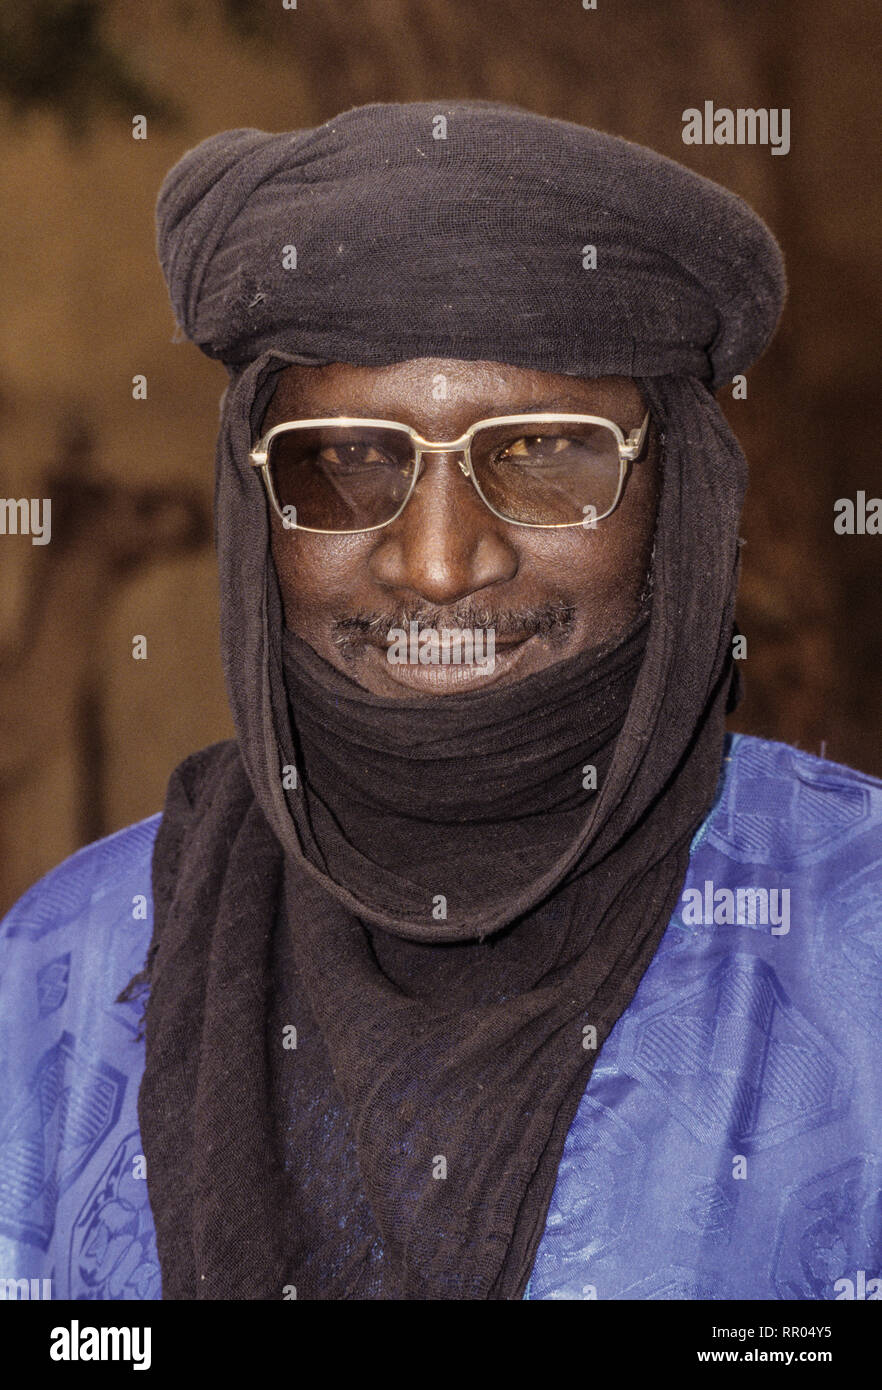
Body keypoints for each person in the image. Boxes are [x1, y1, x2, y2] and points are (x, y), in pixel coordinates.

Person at [1, 100, 880, 1303]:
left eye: (544, 454)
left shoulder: (853, 941)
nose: (437, 561)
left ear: (680, 497)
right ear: (254, 500)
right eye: (348, 459)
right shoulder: (64, 969)